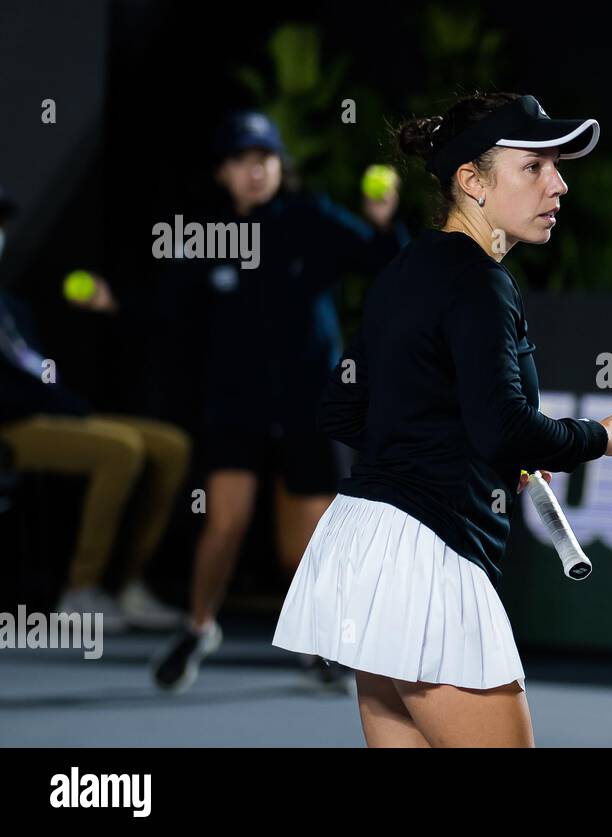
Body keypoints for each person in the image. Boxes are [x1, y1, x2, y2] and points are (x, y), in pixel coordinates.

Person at [272, 91, 612, 747]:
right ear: (471, 181)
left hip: (365, 544)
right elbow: (505, 427)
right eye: (535, 167)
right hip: (428, 555)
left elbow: (342, 407)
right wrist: (604, 436)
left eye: (557, 167)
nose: (559, 184)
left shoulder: (404, 269)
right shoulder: (482, 283)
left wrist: (466, 449)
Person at [150, 111, 409, 693]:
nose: (254, 170)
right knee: (224, 525)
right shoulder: (203, 235)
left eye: (264, 159)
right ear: (224, 172)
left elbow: (386, 265)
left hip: (308, 405)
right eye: (242, 161)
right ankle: (199, 627)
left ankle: (320, 645)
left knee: (307, 543)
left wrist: (384, 223)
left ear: (278, 166)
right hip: (234, 406)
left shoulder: (311, 218)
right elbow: (175, 319)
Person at [0, 185, 190, 631]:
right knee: (121, 449)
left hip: (52, 413)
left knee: (171, 446)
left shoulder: (13, 307)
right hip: (11, 424)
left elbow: (41, 374)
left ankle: (128, 584)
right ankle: (80, 591)